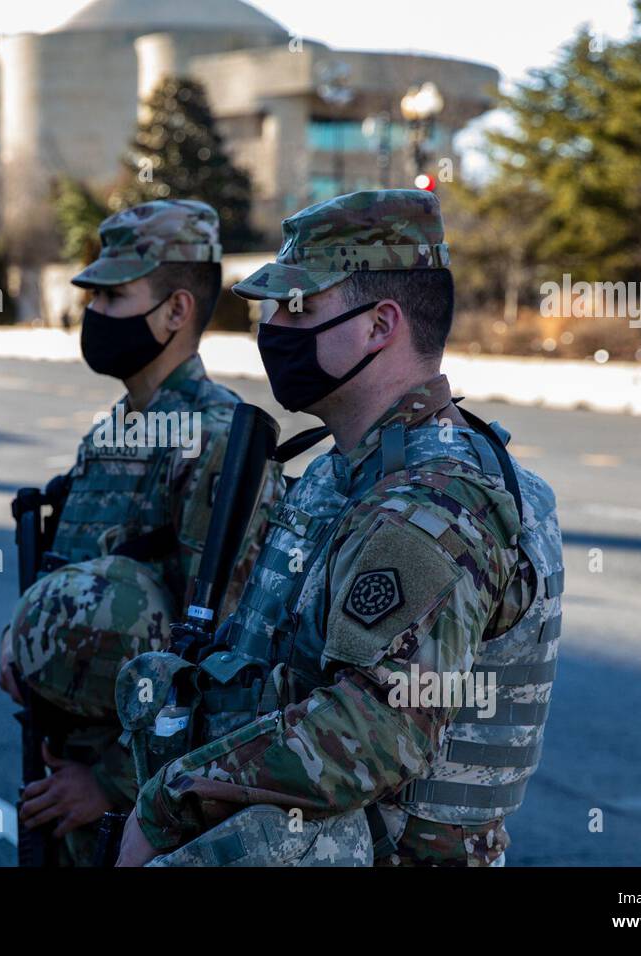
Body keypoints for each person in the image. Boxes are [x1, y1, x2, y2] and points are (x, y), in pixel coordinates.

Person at [115, 189, 564, 867]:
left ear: (381, 325)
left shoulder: (429, 504)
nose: (272, 325)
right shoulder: (347, 471)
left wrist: (170, 801)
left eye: (299, 307)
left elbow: (379, 729)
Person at [0, 199, 281, 865]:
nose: (93, 316)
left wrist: (110, 785)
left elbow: (227, 657)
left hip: (141, 805)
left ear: (176, 311)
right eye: (92, 298)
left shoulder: (215, 442)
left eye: (113, 297)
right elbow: (70, 573)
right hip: (60, 763)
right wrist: (17, 637)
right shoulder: (114, 432)